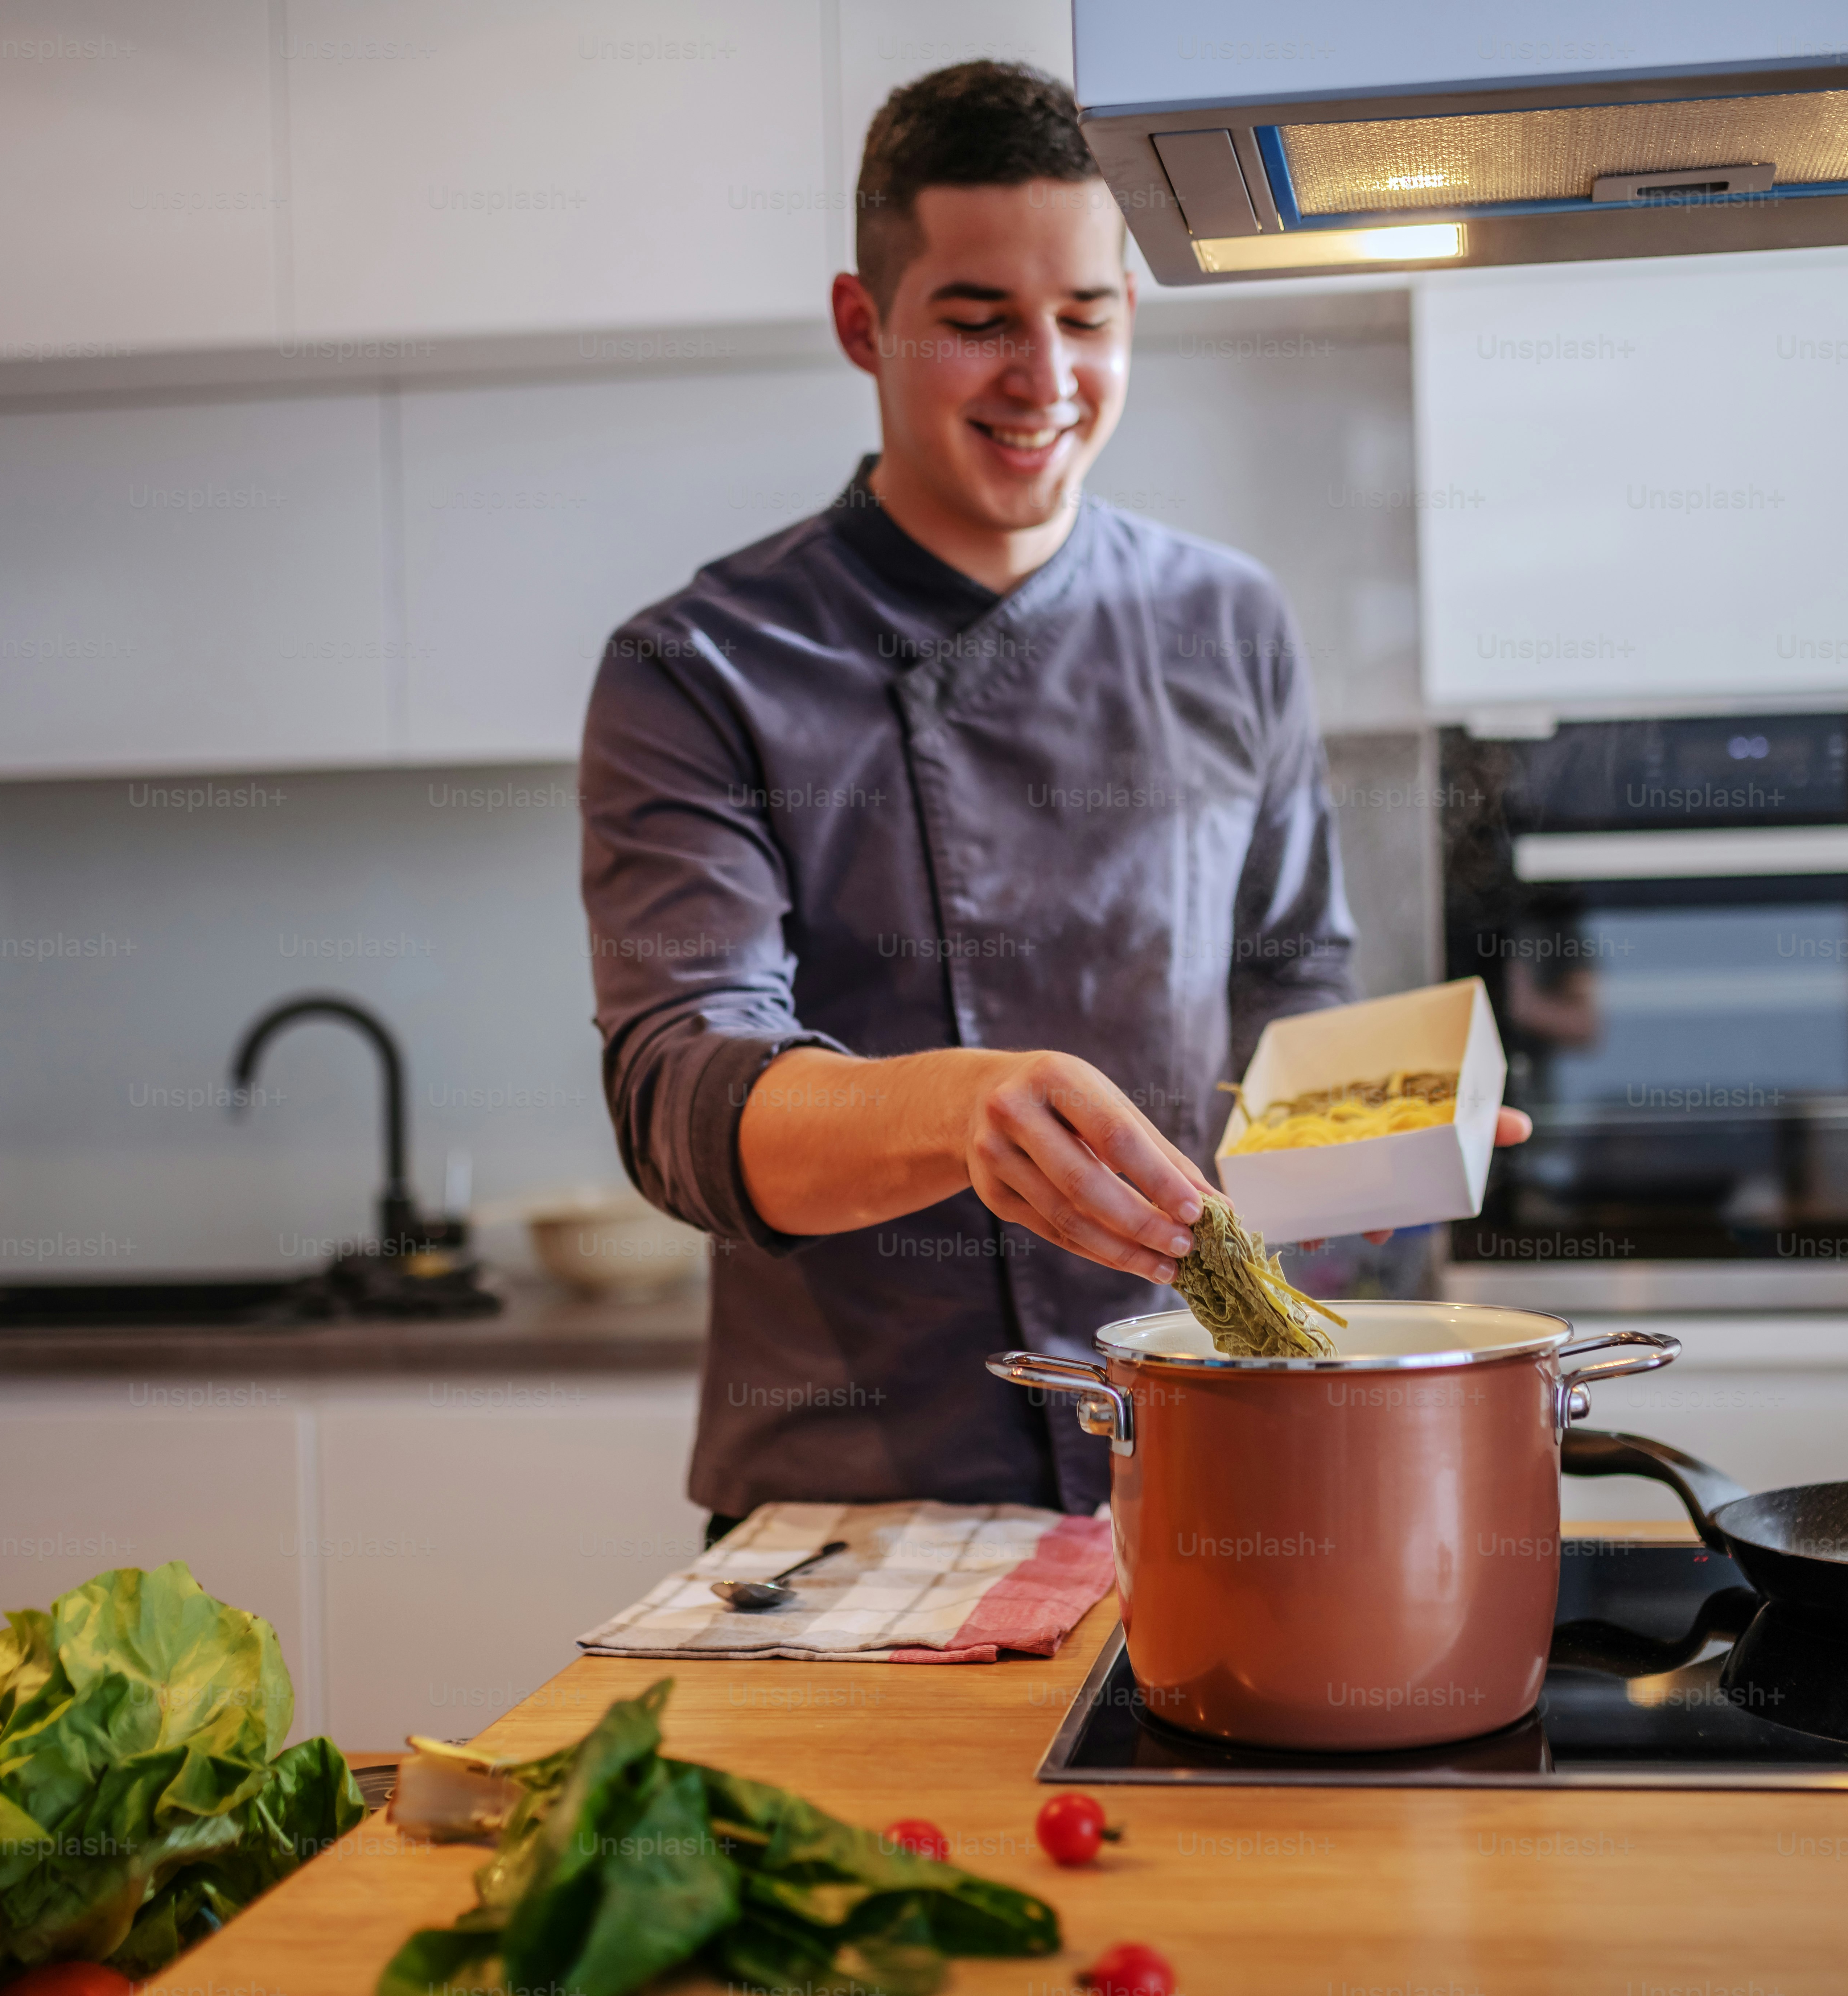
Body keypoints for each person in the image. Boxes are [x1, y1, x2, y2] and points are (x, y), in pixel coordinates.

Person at [578, 62, 1521, 1530]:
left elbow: (1285, 976)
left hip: (1205, 1445)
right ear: (862, 323)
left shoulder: (1229, 621)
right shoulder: (699, 665)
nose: (1046, 379)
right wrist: (965, 1110)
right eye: (977, 323)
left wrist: (1371, 1136)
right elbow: (681, 1092)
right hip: (859, 1498)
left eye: (1086, 317)